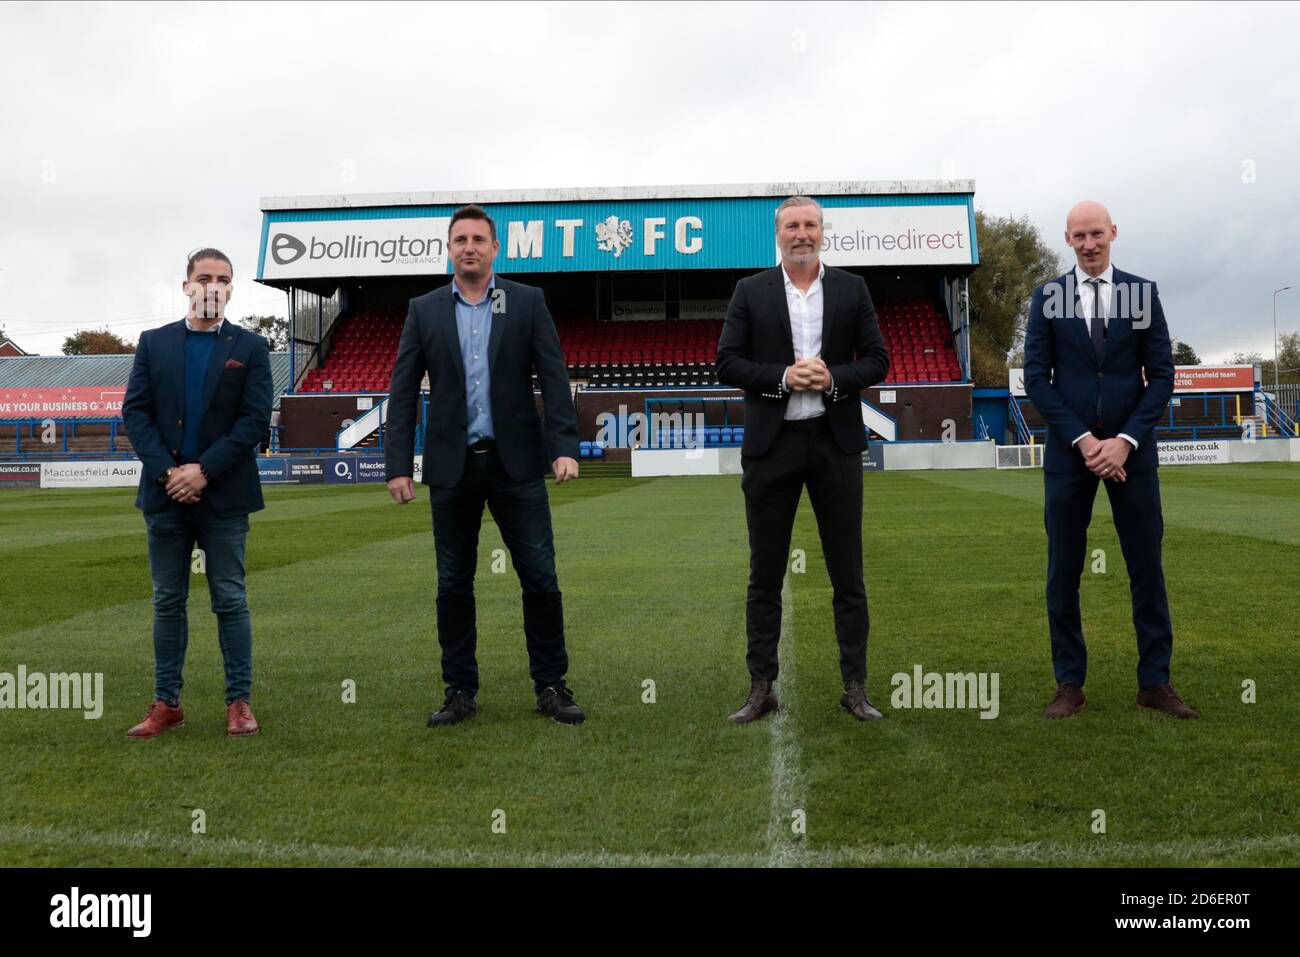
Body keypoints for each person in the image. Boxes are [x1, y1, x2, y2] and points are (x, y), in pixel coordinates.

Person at [384, 205, 584, 726]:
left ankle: (551, 684)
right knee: (453, 582)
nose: (469, 247)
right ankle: (459, 690)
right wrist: (397, 465)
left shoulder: (526, 302)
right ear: (448, 249)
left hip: (516, 463)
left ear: (496, 249)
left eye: (479, 239)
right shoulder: (424, 309)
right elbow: (402, 392)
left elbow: (554, 378)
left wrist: (564, 445)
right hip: (452, 469)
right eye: (460, 239)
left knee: (540, 577)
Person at [715, 195, 890, 723]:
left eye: (810, 224)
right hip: (773, 446)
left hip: (834, 444)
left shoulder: (851, 288)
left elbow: (879, 359)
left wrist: (835, 379)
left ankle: (855, 688)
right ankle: (761, 687)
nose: (802, 233)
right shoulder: (750, 290)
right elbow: (727, 362)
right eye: (792, 225)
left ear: (822, 231)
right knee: (764, 573)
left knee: (847, 573)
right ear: (779, 233)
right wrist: (783, 378)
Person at [1023, 200, 1197, 719]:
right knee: (1063, 571)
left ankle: (1155, 682)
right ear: (1068, 239)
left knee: (1146, 566)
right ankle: (1069, 682)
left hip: (1131, 455)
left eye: (1096, 233)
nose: (1088, 244)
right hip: (1069, 454)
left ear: (1113, 233)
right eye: (1078, 236)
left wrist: (1124, 441)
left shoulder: (1141, 294)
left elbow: (1162, 375)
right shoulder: (1048, 296)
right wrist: (1083, 440)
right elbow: (1036, 377)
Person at [121, 248, 273, 738]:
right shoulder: (154, 342)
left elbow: (254, 420)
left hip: (224, 494)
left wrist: (204, 471)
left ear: (231, 289)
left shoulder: (249, 347)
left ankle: (239, 703)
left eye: (222, 279)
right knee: (168, 600)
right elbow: (136, 413)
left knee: (229, 597)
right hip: (165, 496)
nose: (212, 285)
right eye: (203, 277)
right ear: (186, 285)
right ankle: (167, 702)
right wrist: (169, 473)